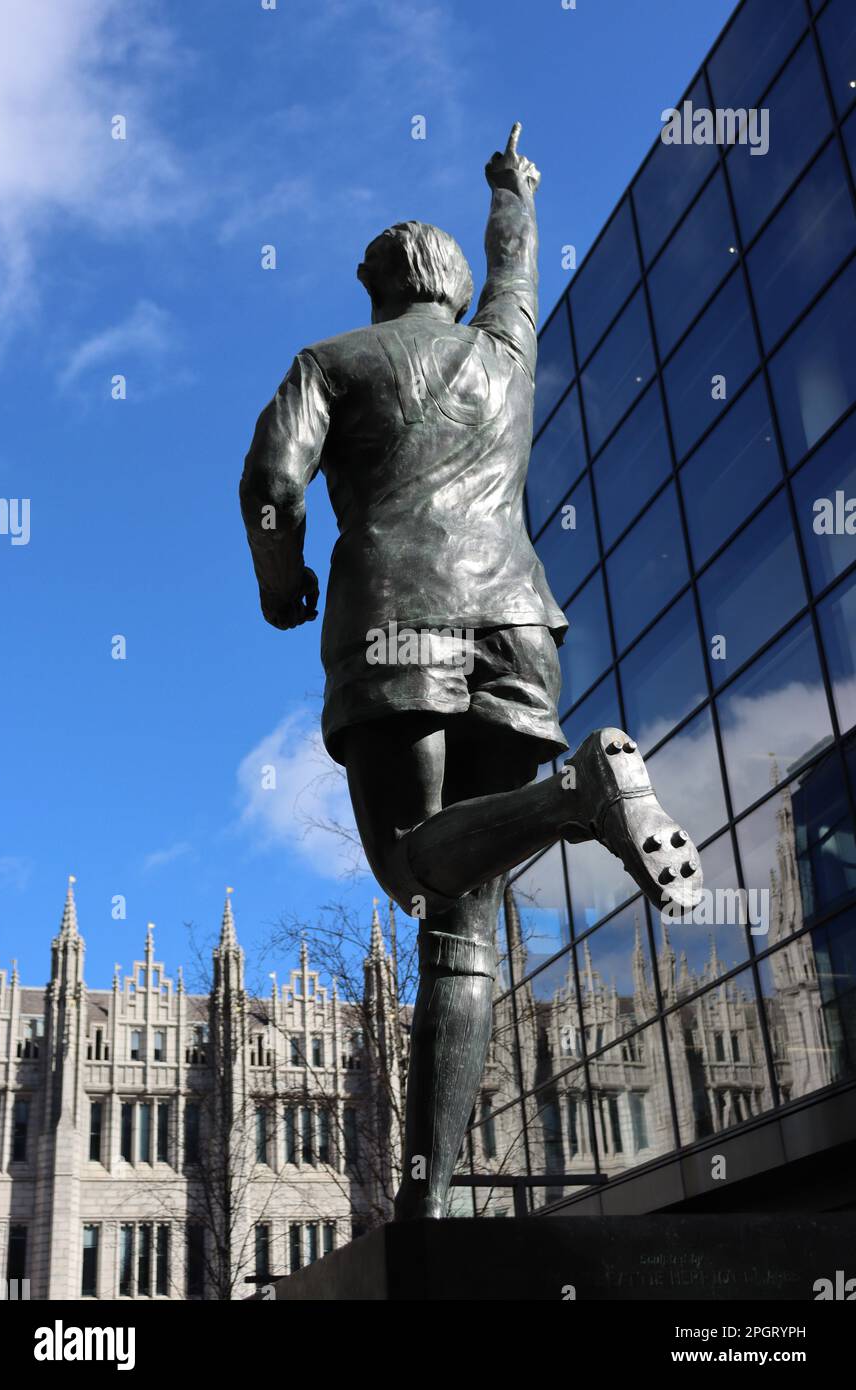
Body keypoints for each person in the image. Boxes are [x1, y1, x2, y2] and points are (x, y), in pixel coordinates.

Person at [240, 124, 702, 1219]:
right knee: (463, 935)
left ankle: (574, 794)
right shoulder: (501, 351)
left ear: (379, 284)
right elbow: (518, 268)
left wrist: (277, 574)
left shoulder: (331, 363)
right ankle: (430, 1198)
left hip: (395, 619)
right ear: (447, 285)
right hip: (519, 620)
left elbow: (271, 474)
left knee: (414, 870)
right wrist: (512, 185)